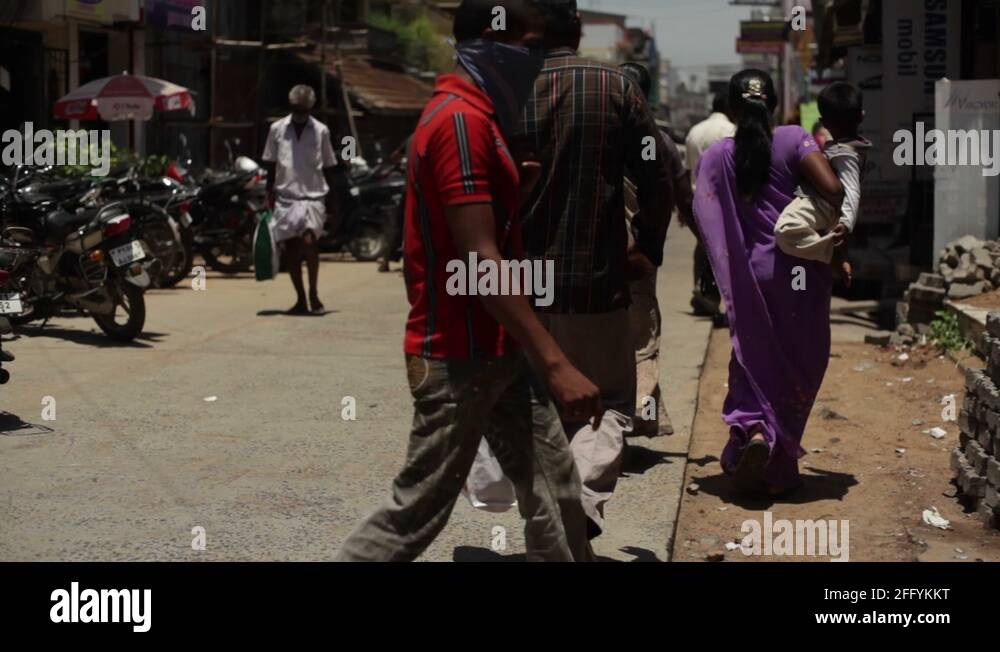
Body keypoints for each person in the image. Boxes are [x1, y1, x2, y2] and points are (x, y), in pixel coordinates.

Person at [335, 0, 601, 562]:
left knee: (556, 489)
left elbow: (482, 236)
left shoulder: (479, 118)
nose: (538, 60)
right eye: (532, 47)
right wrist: (556, 362)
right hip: (459, 355)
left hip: (497, 349)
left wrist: (516, 190)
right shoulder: (461, 123)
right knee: (415, 514)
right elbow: (480, 263)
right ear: (492, 40)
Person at [517, 1, 671, 534]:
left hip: (516, 286)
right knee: (605, 402)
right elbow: (656, 175)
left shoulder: (502, 89)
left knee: (538, 404)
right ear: (577, 31)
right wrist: (648, 246)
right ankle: (579, 500)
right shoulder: (615, 86)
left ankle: (551, 514)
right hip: (595, 278)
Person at [691, 70, 843, 495]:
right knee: (799, 361)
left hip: (750, 277)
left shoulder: (718, 155)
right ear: (774, 104)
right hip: (799, 276)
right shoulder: (795, 138)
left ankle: (753, 430)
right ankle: (777, 465)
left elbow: (703, 218)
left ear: (731, 108)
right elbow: (832, 189)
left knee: (752, 357)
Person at [619, 61, 691, 438]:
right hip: (638, 258)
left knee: (599, 337)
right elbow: (679, 195)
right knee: (643, 343)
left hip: (587, 256)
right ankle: (639, 416)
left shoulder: (591, 132)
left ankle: (631, 417)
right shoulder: (659, 140)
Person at [774, 81, 870, 277]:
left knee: (786, 229)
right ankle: (828, 249)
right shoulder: (842, 146)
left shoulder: (847, 153)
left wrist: (847, 221)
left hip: (821, 204)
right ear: (861, 116)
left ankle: (829, 252)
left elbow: (852, 189)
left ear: (823, 122)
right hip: (821, 204)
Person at [261, 85, 338, 315]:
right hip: (286, 197)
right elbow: (270, 163)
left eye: (304, 109)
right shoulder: (277, 129)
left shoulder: (321, 131)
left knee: (309, 242)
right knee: (291, 250)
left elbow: (329, 165)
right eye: (297, 109)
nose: (301, 113)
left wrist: (332, 201)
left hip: (313, 197)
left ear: (310, 108)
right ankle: (301, 299)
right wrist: (268, 195)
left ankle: (314, 292)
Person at [685, 94, 735, 319]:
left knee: (702, 246)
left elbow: (688, 171)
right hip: (722, 199)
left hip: (697, 199)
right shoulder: (731, 130)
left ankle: (702, 290)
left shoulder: (694, 131)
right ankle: (710, 294)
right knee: (720, 249)